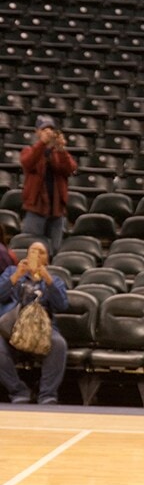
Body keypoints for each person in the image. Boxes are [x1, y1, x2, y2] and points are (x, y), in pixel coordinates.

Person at [0, 240, 68, 405]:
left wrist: (48, 279)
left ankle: (47, 395)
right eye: (32, 251)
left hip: (43, 327)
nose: (36, 255)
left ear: (47, 259)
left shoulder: (55, 279)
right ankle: (18, 391)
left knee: (58, 344)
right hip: (13, 326)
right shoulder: (11, 271)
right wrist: (16, 276)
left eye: (41, 252)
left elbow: (62, 306)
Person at [20, 115, 77, 257]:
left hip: (56, 211)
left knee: (55, 250)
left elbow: (70, 169)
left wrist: (61, 149)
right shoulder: (29, 150)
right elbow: (28, 162)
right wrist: (42, 144)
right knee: (32, 251)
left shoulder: (58, 153)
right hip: (36, 209)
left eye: (50, 129)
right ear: (37, 132)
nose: (48, 132)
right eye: (44, 129)